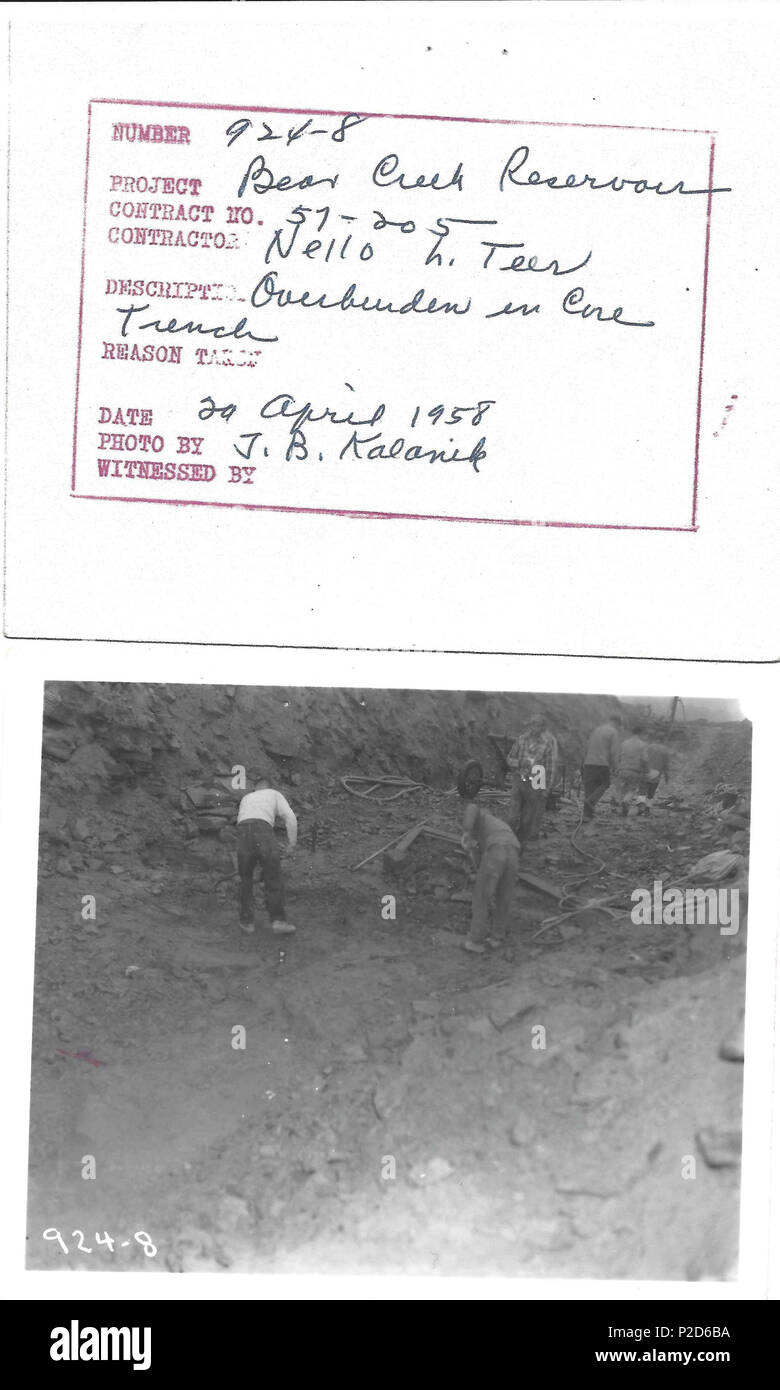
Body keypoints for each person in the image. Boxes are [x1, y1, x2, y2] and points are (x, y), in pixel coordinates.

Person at [235, 778, 298, 934]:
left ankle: (246, 922)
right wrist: (292, 843)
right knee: (273, 876)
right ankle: (278, 921)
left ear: (255, 788)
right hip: (263, 830)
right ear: (269, 787)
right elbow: (290, 817)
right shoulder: (274, 794)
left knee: (246, 878)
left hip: (243, 832)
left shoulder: (246, 798)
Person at [460, 801, 521, 955]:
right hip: (513, 851)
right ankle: (497, 938)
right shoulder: (496, 825)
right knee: (503, 896)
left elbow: (472, 807)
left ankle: (476, 941)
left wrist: (466, 832)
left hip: (497, 849)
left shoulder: (481, 815)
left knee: (481, 897)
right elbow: (482, 860)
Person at [507, 716, 558, 848]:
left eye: (538, 726)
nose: (535, 728)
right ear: (530, 725)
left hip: (536, 780)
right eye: (533, 725)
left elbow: (550, 768)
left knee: (527, 818)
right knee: (512, 816)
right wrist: (518, 762)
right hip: (520, 779)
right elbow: (509, 759)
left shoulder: (547, 743)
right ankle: (507, 840)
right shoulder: (521, 739)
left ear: (543, 728)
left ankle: (520, 844)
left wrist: (546, 789)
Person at [581, 714, 622, 820]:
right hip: (602, 763)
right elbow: (613, 752)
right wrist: (616, 766)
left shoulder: (596, 730)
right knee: (605, 784)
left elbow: (587, 746)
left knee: (589, 788)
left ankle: (587, 815)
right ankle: (592, 801)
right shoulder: (613, 732)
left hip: (588, 762)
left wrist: (583, 762)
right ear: (617, 723)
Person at [617, 725, 649, 816]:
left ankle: (623, 808)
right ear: (641, 733)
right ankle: (625, 802)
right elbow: (644, 759)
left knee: (623, 788)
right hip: (634, 770)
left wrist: (618, 767)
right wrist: (647, 771)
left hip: (622, 769)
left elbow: (619, 756)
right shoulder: (642, 744)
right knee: (632, 789)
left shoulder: (624, 743)